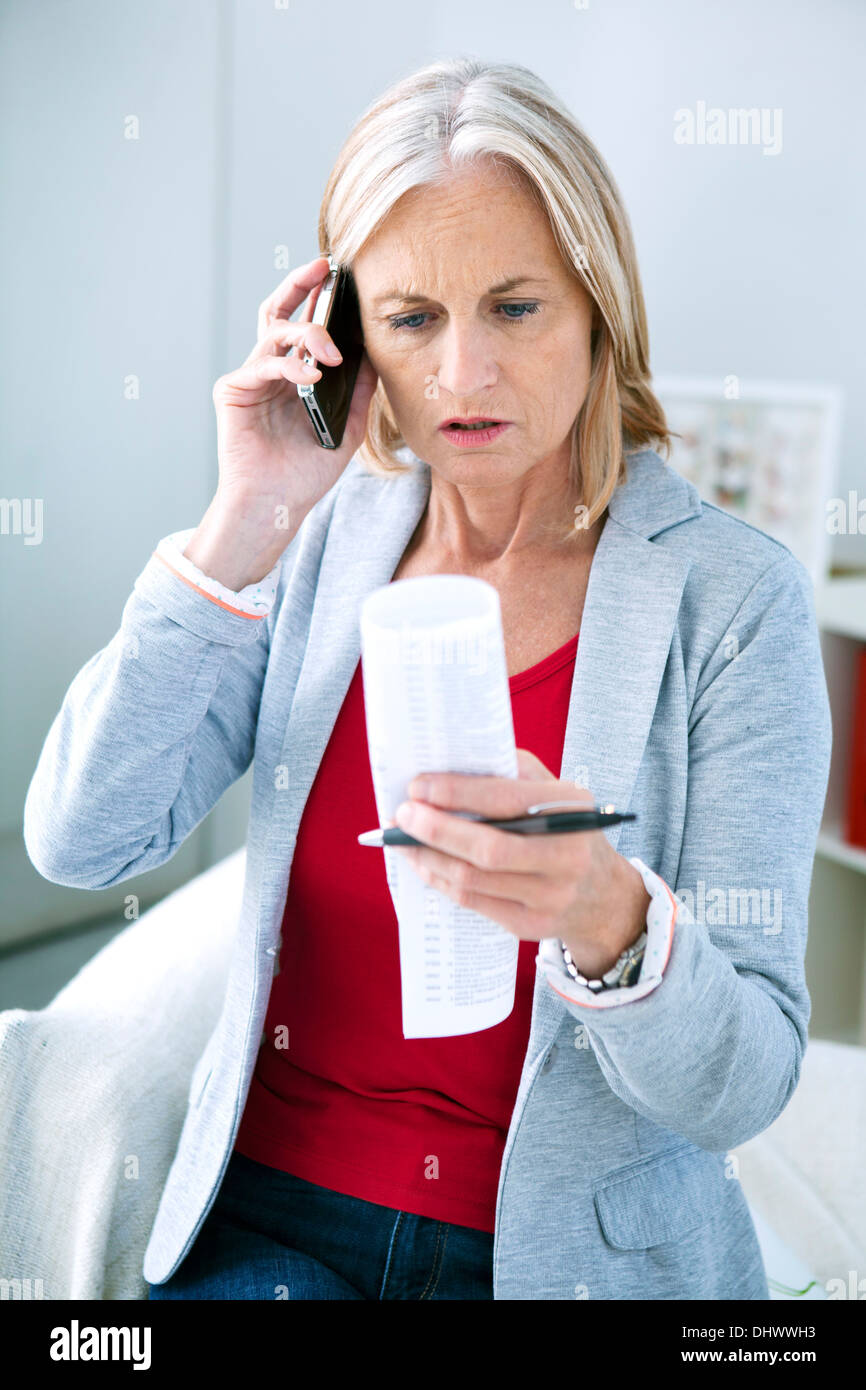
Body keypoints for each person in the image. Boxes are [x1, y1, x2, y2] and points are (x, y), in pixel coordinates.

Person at [23, 57, 831, 1301]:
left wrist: (611, 918)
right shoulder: (319, 541)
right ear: (344, 338)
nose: (461, 375)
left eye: (514, 308)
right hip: (272, 1230)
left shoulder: (733, 605)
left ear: (597, 305)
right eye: (410, 320)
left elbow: (742, 1081)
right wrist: (245, 517)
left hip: (556, 1266)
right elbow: (84, 837)